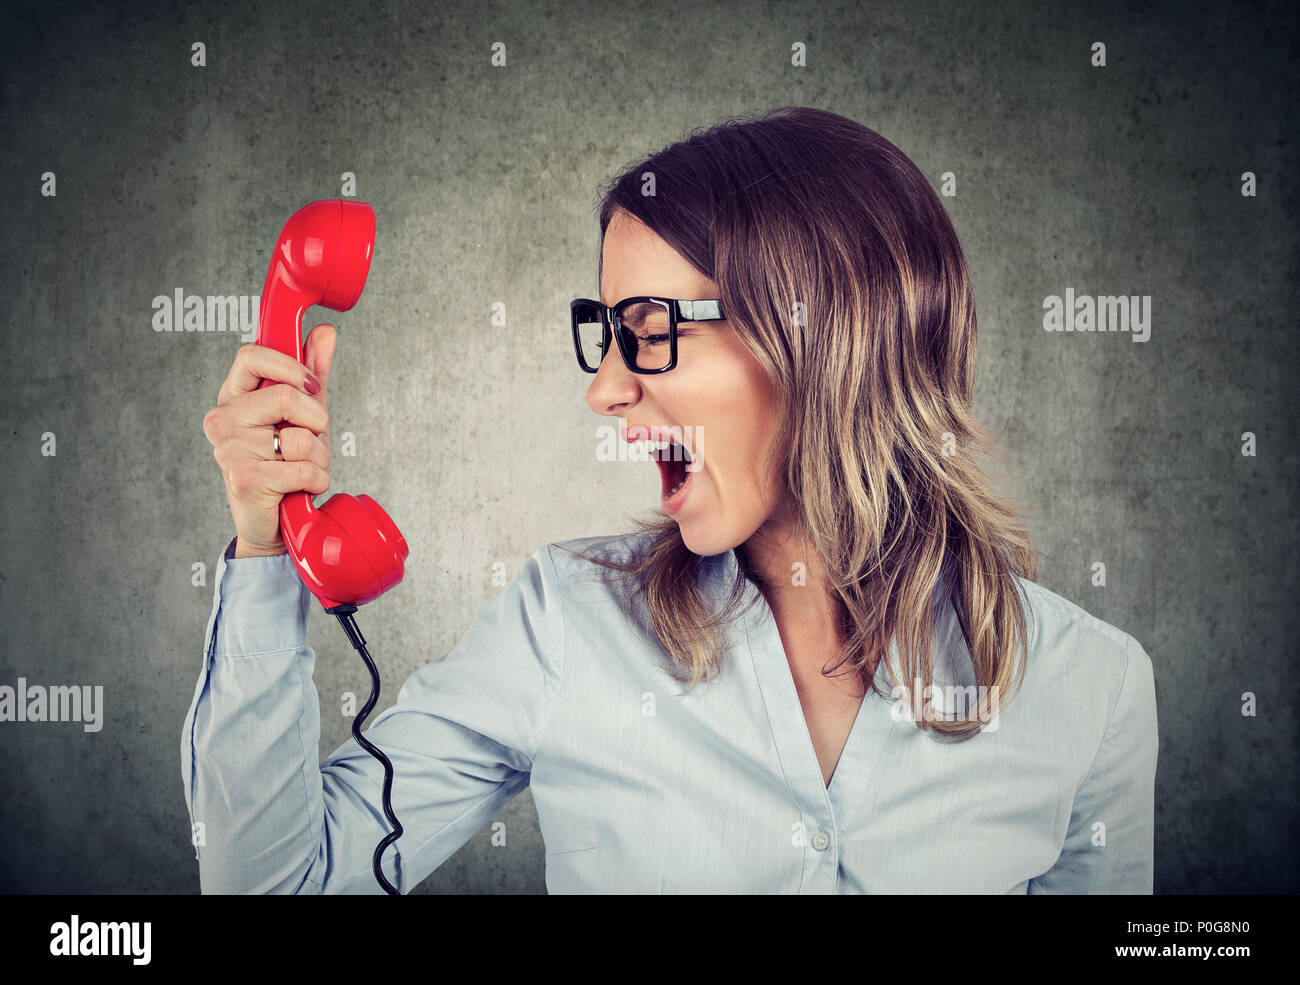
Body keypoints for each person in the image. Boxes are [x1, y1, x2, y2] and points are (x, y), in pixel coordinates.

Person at [183, 106, 1158, 894]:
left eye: (647, 330)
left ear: (818, 334)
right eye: (603, 334)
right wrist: (268, 544)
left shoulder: (1090, 688)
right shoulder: (565, 621)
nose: (604, 388)